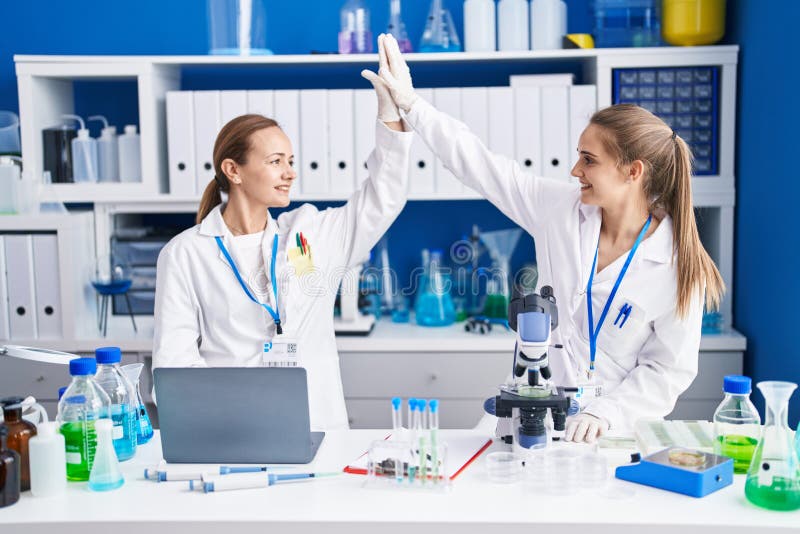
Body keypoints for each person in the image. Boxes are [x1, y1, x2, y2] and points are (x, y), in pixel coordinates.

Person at [368, 34, 725, 442]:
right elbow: (480, 165)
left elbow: (667, 370)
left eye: (589, 160)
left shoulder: (679, 266)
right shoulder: (559, 210)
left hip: (608, 431)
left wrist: (607, 413)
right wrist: (413, 105)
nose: (575, 171)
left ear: (633, 171)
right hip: (530, 404)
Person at [153, 42, 413, 431]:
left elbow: (384, 198)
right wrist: (235, 414)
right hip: (233, 435)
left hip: (318, 431)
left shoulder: (310, 235)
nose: (290, 172)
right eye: (275, 162)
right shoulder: (185, 254)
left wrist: (391, 115)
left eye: (290, 161)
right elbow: (174, 370)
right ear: (233, 170)